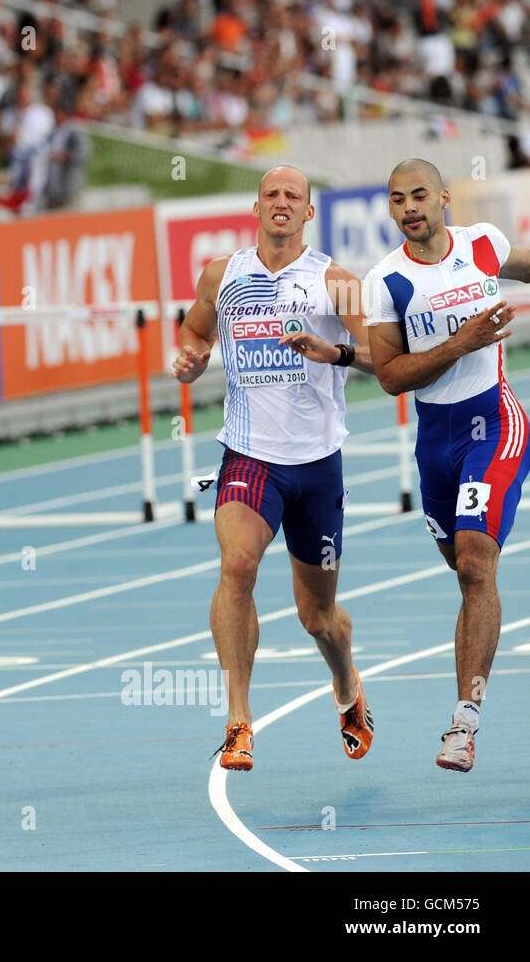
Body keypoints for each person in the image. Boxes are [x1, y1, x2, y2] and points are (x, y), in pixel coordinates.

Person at [173, 165, 378, 771]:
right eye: (272, 195)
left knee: (318, 618)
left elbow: (385, 360)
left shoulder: (335, 283)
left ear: (309, 213)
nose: (282, 203)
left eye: (294, 196)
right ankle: (238, 721)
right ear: (256, 207)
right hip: (248, 455)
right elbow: (193, 329)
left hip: (316, 464)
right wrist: (192, 360)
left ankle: (346, 687)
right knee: (237, 565)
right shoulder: (223, 274)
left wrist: (333, 351)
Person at [364, 158, 530, 772]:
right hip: (435, 440)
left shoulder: (482, 244)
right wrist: (462, 340)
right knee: (466, 576)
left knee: (474, 559)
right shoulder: (385, 282)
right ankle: (467, 706)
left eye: (419, 196)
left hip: (495, 422)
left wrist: (472, 347)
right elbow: (389, 376)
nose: (409, 208)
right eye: (398, 199)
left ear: (444, 199)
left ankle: (465, 721)